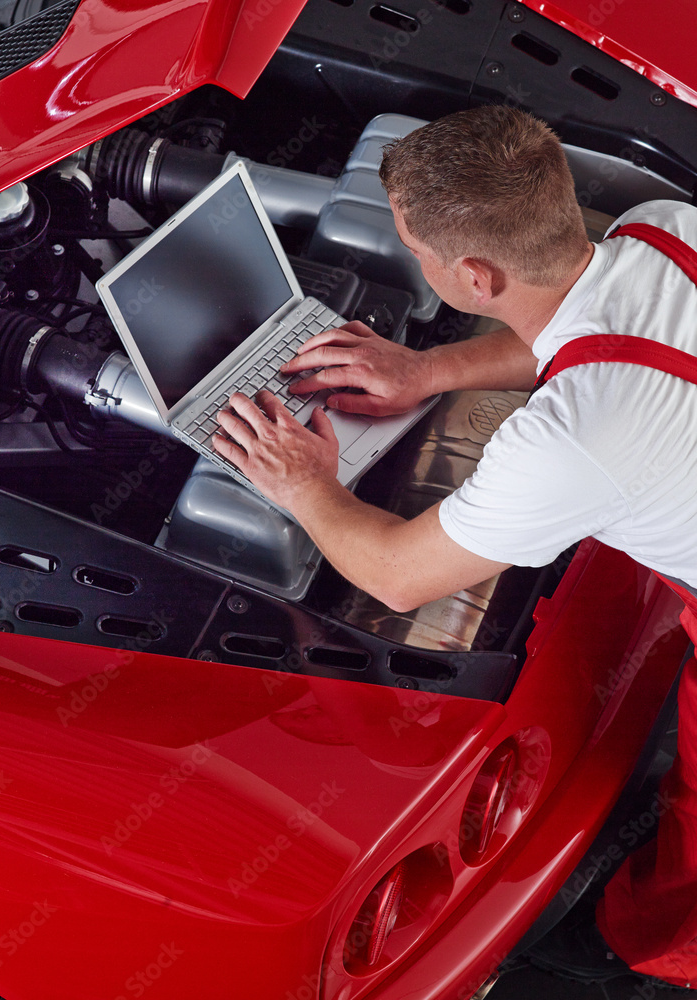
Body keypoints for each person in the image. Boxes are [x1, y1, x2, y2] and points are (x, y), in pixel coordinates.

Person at [211, 104, 697, 988]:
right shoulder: (665, 232)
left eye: (421, 254)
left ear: (472, 275)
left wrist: (301, 483)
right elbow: (585, 336)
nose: (420, 267)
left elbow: (397, 576)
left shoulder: (573, 438)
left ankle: (648, 964)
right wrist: (426, 369)